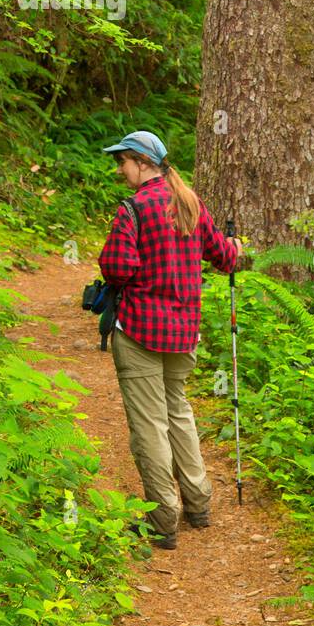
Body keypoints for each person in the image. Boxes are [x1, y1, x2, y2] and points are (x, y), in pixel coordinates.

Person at [98, 130, 241, 550]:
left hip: (140, 331)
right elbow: (225, 257)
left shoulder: (133, 210)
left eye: (122, 161)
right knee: (177, 411)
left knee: (150, 424)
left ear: (141, 162)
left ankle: (162, 519)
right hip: (183, 333)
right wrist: (233, 245)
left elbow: (117, 269)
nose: (119, 170)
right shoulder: (189, 203)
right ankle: (198, 503)